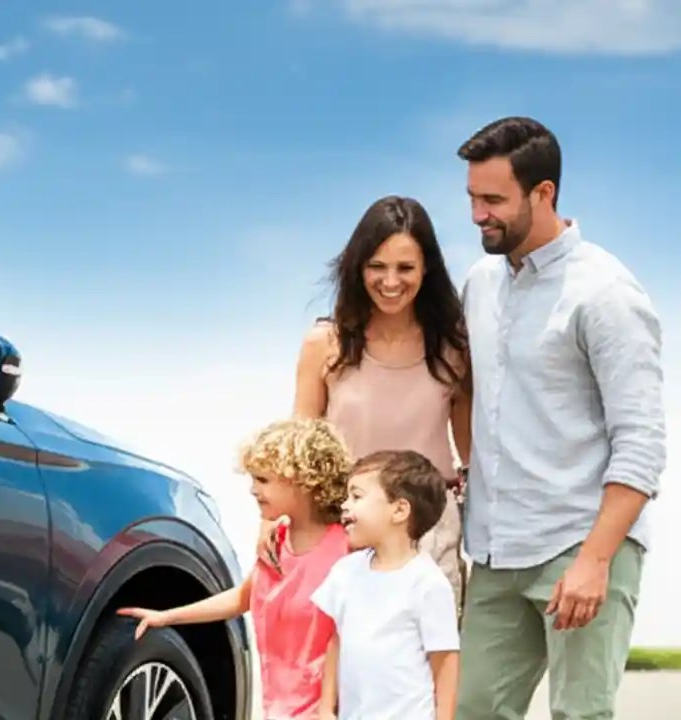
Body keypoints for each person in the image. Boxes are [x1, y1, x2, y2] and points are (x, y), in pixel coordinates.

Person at [453, 116, 666, 720]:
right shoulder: (480, 282)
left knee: (579, 715)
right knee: (472, 711)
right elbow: (468, 390)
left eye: (493, 200)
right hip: (495, 550)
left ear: (543, 194)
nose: (477, 215)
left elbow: (642, 441)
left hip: (580, 542)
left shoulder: (606, 293)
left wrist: (596, 558)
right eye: (472, 198)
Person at [261, 194, 473, 610]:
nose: (390, 281)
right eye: (377, 266)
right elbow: (298, 448)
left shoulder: (454, 347)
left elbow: (470, 450)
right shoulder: (325, 343)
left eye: (405, 268)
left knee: (428, 661)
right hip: (345, 527)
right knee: (345, 662)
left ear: (426, 269)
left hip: (429, 527)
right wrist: (272, 516)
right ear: (357, 268)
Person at [117, 417, 353, 720]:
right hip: (278, 708)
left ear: (304, 482)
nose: (253, 490)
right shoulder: (276, 545)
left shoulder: (345, 551)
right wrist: (165, 617)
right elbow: (243, 597)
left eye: (263, 480)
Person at [312, 450, 460, 720]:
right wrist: (325, 708)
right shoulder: (346, 572)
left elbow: (445, 662)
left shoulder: (427, 583)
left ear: (400, 510)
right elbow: (336, 641)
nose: (345, 505)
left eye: (357, 497)